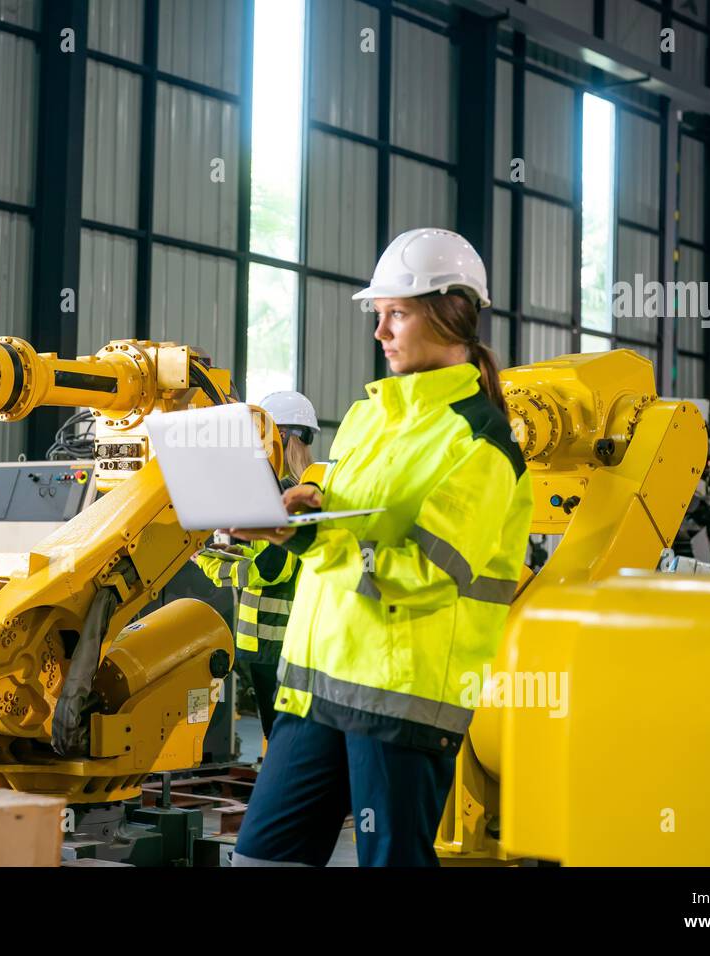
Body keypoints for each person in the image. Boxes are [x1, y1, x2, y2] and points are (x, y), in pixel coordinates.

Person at [227, 228, 534, 866]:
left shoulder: (481, 443)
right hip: (317, 686)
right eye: (379, 314)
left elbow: (423, 570)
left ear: (450, 315)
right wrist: (302, 508)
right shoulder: (371, 415)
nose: (381, 331)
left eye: (396, 313)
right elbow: (349, 516)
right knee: (261, 859)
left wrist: (310, 542)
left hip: (399, 702)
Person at [192, 391, 319, 744]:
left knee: (281, 735)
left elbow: (270, 567)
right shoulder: (305, 488)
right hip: (277, 642)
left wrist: (208, 563)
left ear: (279, 436)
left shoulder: (285, 492)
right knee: (282, 734)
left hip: (274, 641)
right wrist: (230, 550)